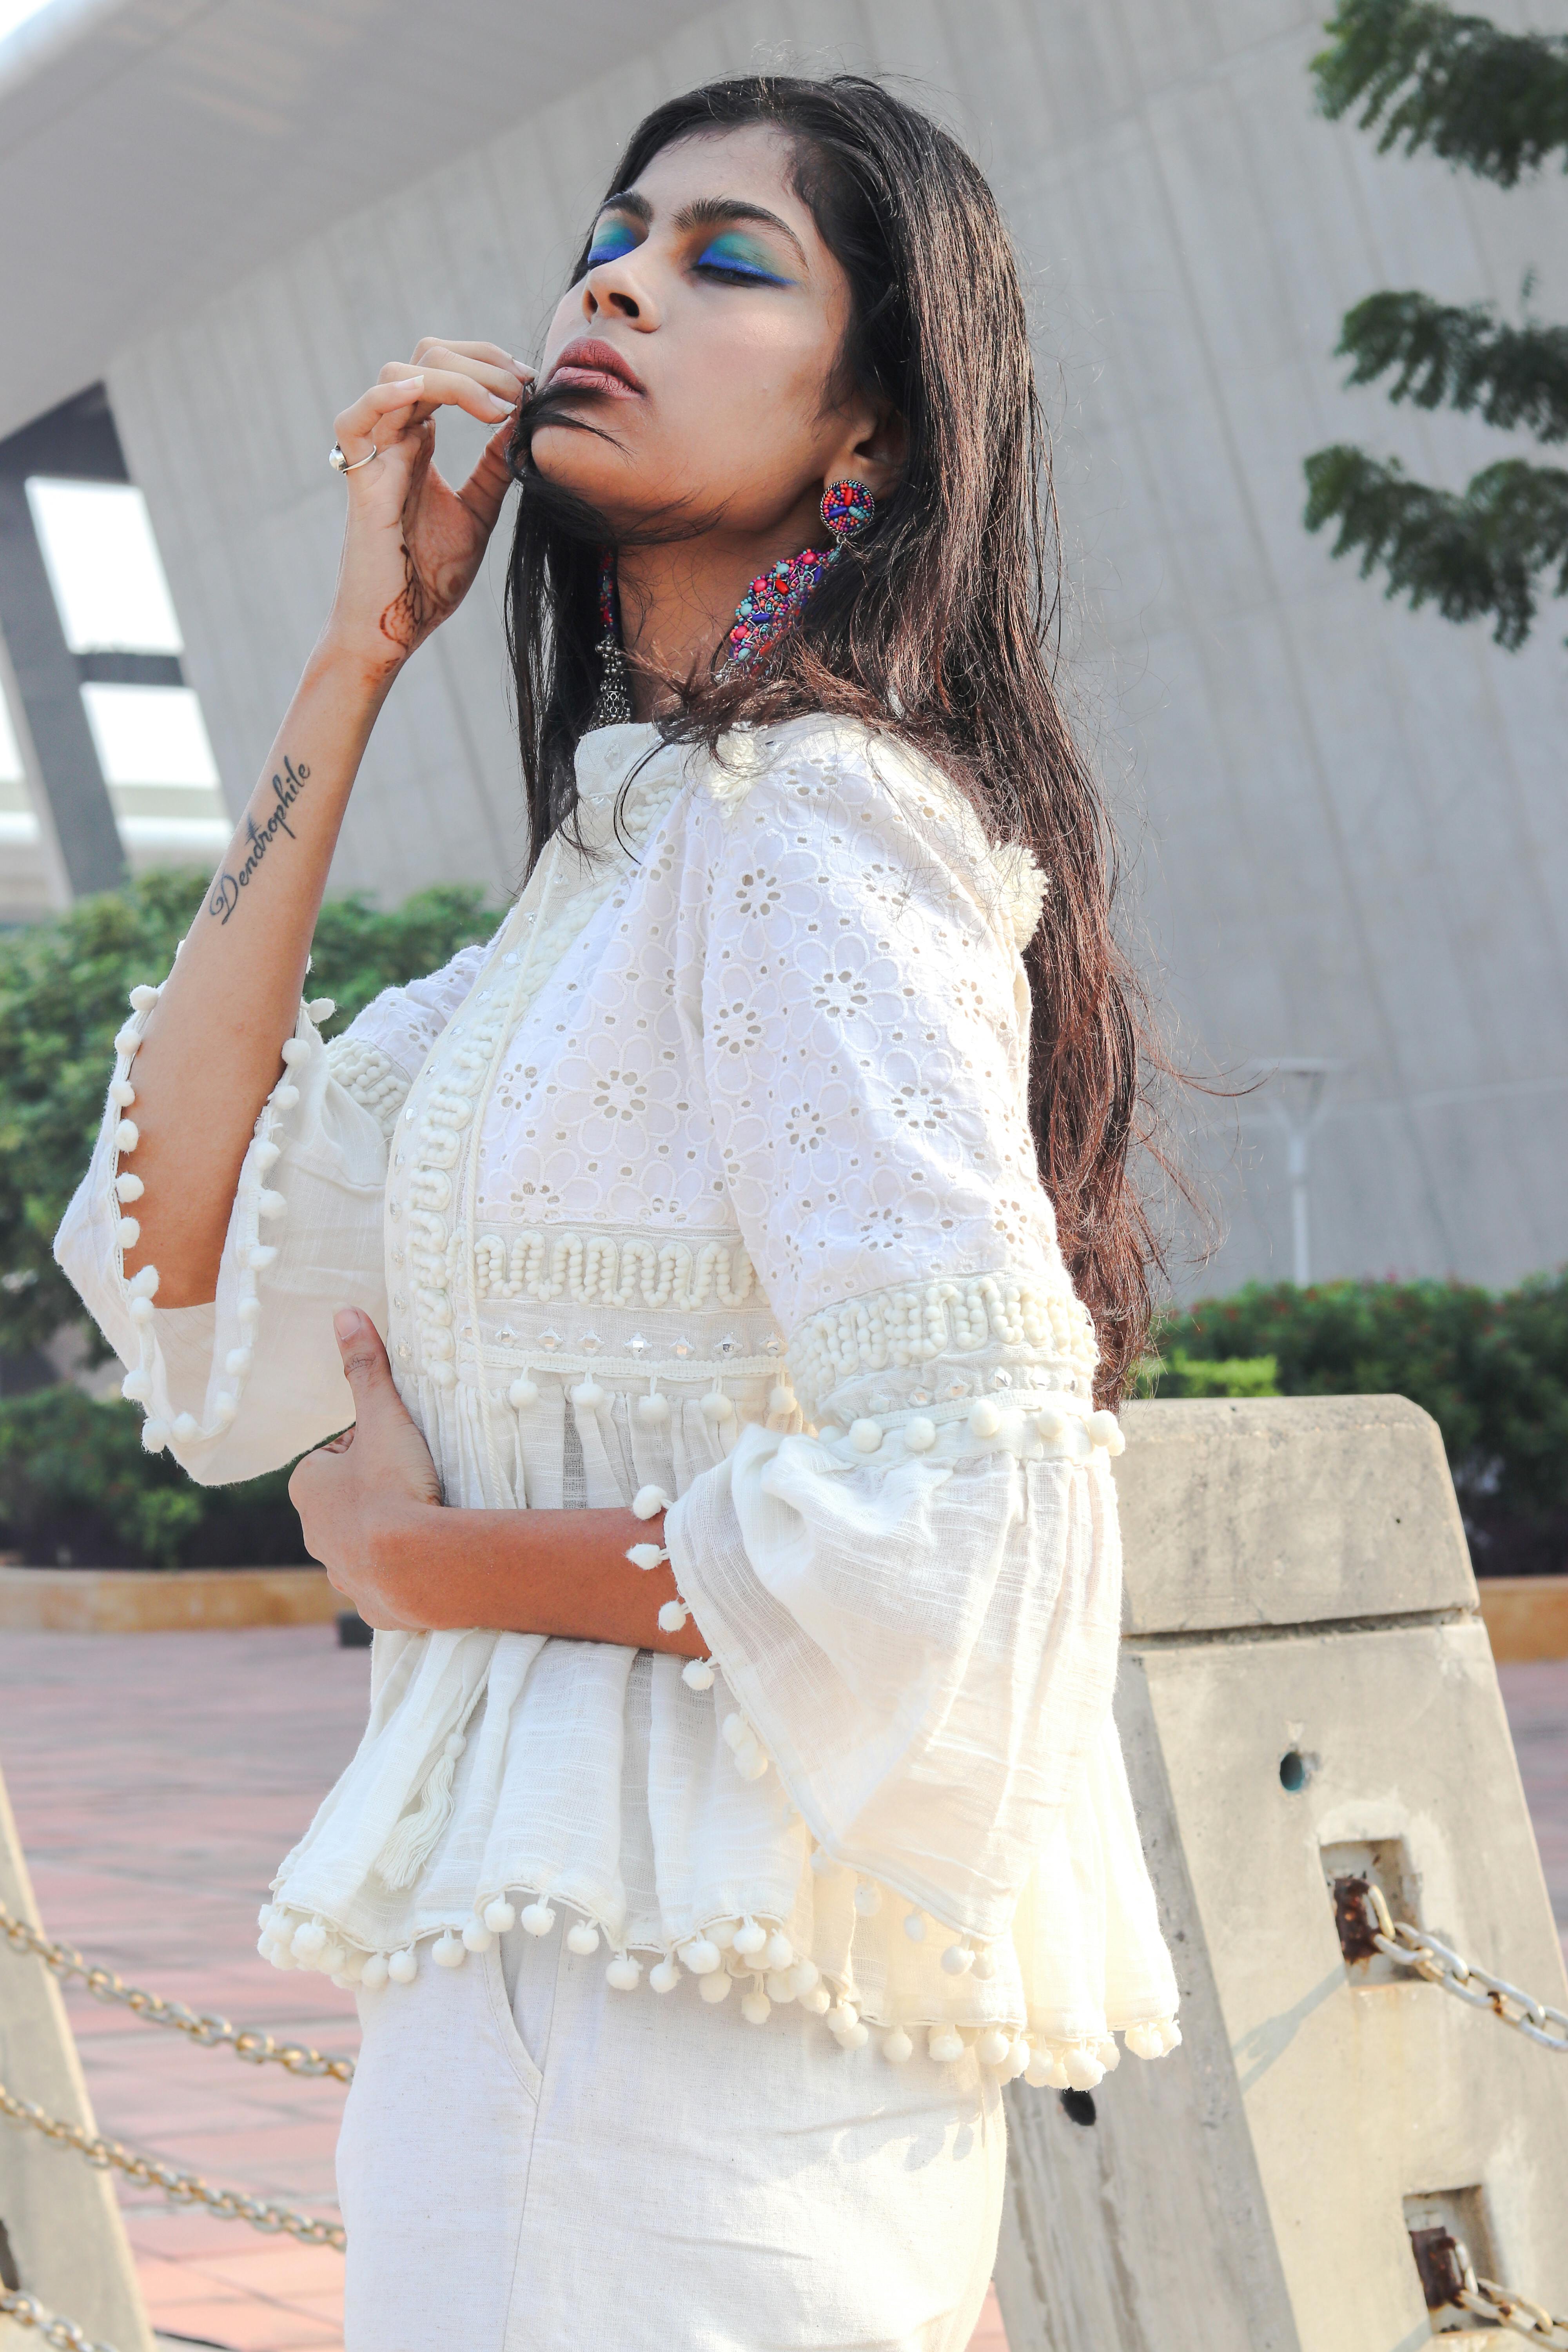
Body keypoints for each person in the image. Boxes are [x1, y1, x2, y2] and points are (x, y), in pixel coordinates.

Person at [59, 73, 1180, 2352]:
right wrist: (358, 650)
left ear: (870, 432)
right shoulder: (624, 873)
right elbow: (186, 1235)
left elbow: (975, 1513)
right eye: (615, 235)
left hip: (666, 2093)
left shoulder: (806, 832)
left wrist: (422, 1565)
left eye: (725, 258)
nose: (617, 280)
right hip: (559, 2028)